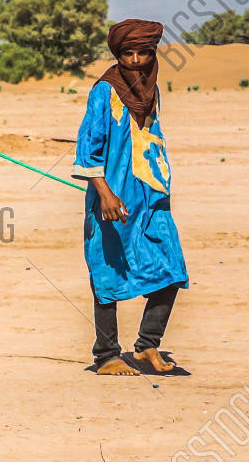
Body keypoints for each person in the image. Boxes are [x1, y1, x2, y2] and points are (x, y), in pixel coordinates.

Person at [72, 19, 187, 375]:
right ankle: (106, 355)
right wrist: (104, 194)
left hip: (150, 197)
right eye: (127, 53)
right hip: (112, 197)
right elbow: (89, 147)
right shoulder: (104, 91)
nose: (135, 60)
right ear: (117, 54)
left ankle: (146, 346)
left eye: (143, 53)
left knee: (171, 269)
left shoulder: (151, 90)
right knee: (107, 273)